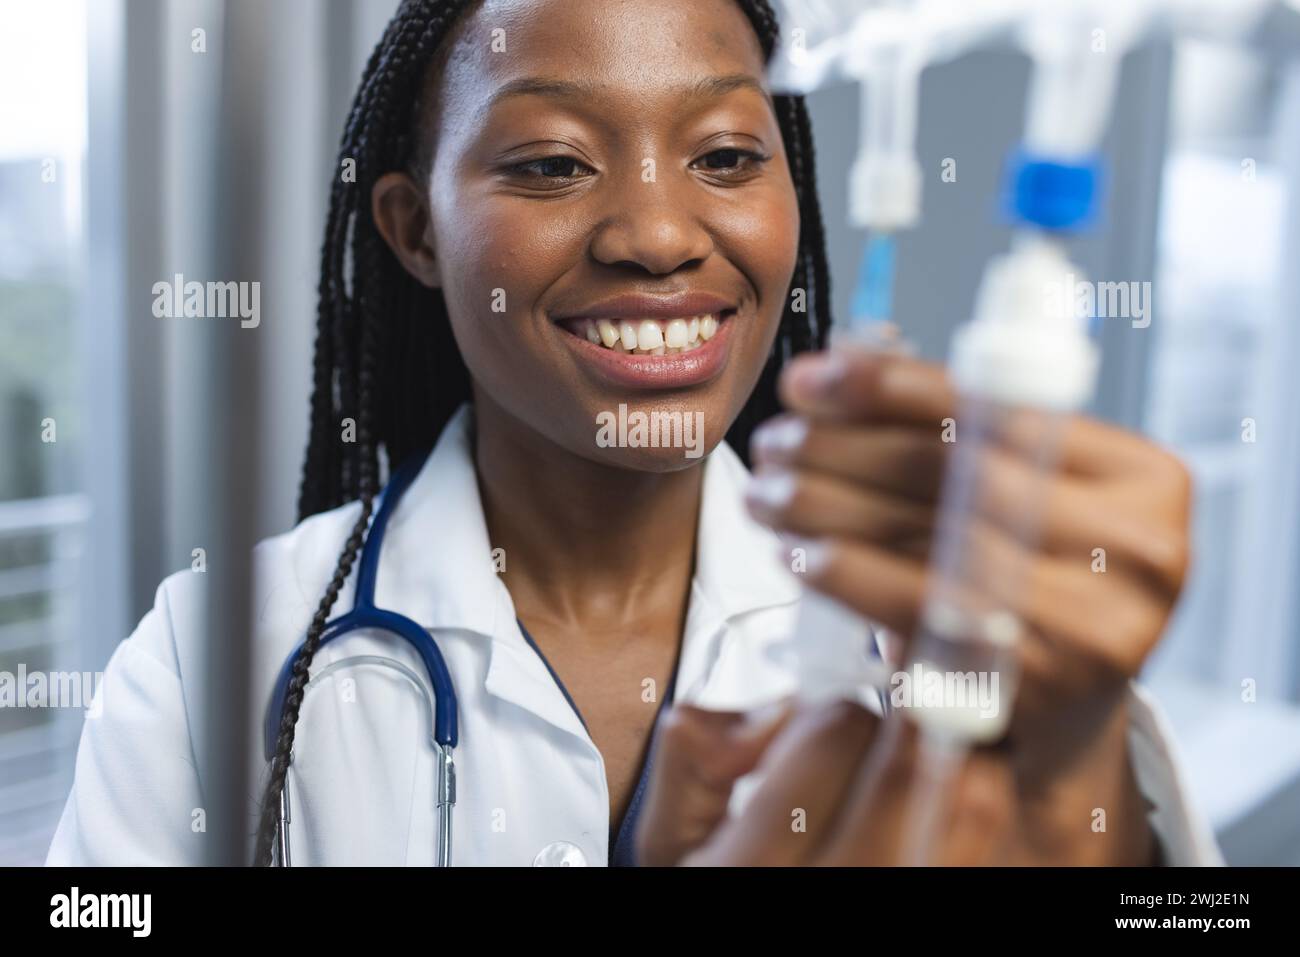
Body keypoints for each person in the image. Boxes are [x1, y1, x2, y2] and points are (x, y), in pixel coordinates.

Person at [46, 0, 1217, 866]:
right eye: (553, 162)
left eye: (723, 157)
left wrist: (1075, 783)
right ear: (414, 231)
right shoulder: (210, 668)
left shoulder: (951, 633)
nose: (657, 234)